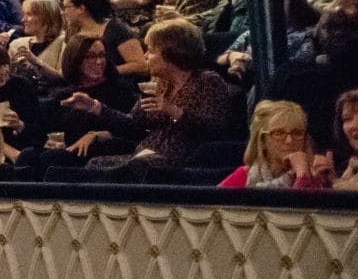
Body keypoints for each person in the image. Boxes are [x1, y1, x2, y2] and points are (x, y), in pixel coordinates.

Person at [61, 19, 235, 175]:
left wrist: (172, 111)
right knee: (94, 165)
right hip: (143, 156)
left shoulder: (208, 81)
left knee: (128, 170)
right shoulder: (159, 84)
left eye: (150, 51)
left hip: (181, 161)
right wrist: (94, 106)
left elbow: (215, 130)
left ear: (172, 54)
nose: (145, 56)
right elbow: (132, 125)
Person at [217, 100, 329, 188]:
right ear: (262, 140)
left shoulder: (316, 175)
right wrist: (301, 177)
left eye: (297, 133)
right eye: (279, 133)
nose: (289, 140)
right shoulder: (244, 175)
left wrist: (328, 182)